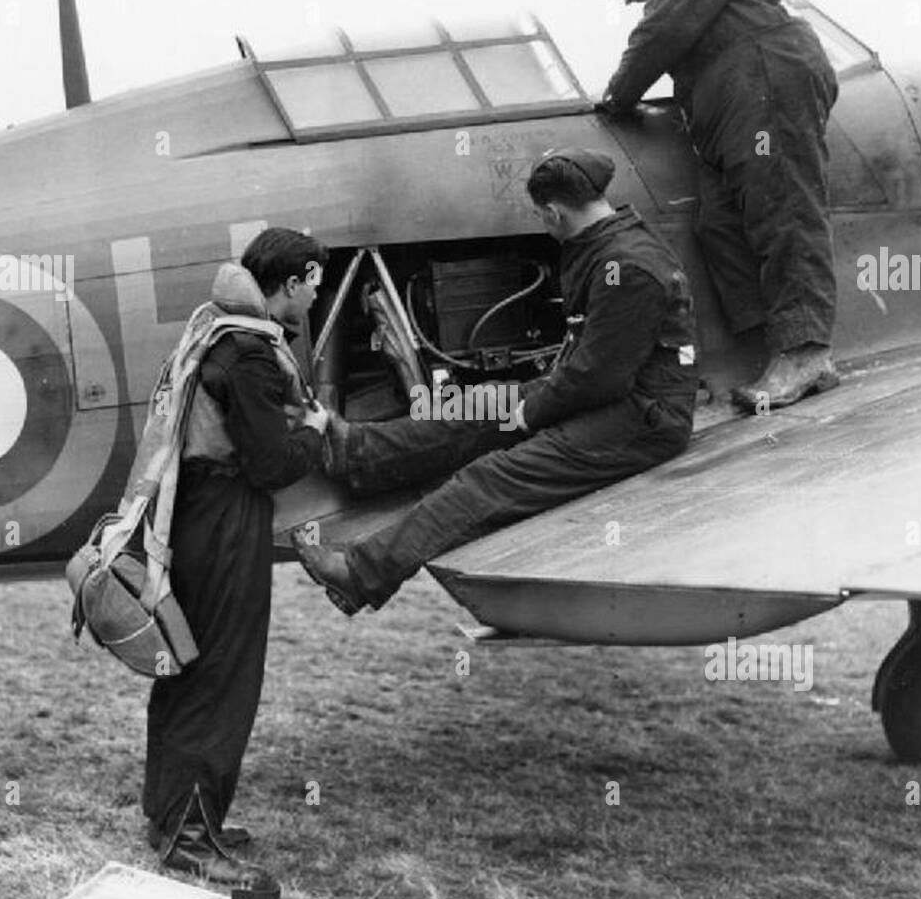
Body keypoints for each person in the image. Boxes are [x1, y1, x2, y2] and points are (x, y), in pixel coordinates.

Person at [294, 147, 697, 614]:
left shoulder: (627, 266)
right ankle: (358, 451)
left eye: (541, 216)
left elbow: (599, 379)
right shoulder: (613, 245)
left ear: (553, 211)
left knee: (493, 478)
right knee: (482, 404)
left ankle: (361, 573)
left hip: (643, 417)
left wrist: (530, 412)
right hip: (614, 396)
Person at [143, 228, 330, 891]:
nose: (317, 297)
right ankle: (191, 840)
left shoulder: (215, 330)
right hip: (226, 517)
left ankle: (173, 815)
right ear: (297, 278)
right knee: (223, 676)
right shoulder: (250, 351)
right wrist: (315, 429)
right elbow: (270, 462)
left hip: (195, 513)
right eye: (315, 284)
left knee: (187, 668)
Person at [590, 0, 840, 410]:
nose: (624, 0)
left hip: (767, 81)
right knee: (718, 224)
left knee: (782, 209)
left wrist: (618, 95)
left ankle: (806, 352)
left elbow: (664, 28)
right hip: (728, 105)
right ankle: (775, 343)